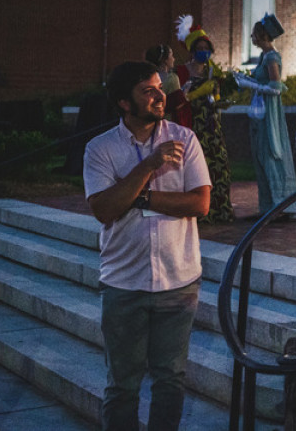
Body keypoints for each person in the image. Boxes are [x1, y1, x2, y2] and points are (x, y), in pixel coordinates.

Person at [83, 60, 211, 431]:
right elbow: (104, 209)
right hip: (124, 283)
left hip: (179, 280)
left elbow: (200, 203)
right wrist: (150, 166)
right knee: (122, 387)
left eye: (160, 88)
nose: (160, 96)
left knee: (170, 381)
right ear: (125, 102)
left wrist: (140, 198)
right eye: (148, 90)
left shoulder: (184, 139)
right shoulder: (100, 149)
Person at [234, 16, 296, 222]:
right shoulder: (264, 57)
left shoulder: (272, 57)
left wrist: (253, 85)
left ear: (261, 35)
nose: (251, 37)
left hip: (270, 113)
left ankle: (280, 205)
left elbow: (276, 87)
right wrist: (243, 79)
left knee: (271, 153)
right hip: (261, 111)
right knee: (261, 156)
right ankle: (267, 206)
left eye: (254, 34)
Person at [173, 16, 234, 223]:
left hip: (211, 124)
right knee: (196, 168)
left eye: (206, 48)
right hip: (191, 124)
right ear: (192, 49)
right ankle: (198, 212)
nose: (204, 51)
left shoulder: (212, 71)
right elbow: (177, 98)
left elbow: (215, 97)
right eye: (199, 47)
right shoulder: (181, 71)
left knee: (219, 166)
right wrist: (193, 93)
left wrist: (220, 102)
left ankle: (219, 210)